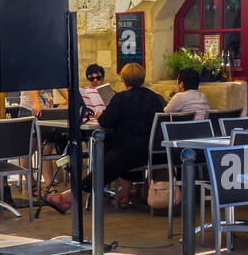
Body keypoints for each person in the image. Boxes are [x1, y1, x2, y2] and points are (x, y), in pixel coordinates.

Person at [48, 63, 163, 210]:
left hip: (130, 153)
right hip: (152, 152)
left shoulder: (121, 99)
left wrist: (100, 114)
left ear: (123, 80)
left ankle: (68, 198)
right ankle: (124, 194)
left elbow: (105, 121)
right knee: (112, 155)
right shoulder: (154, 97)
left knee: (104, 165)